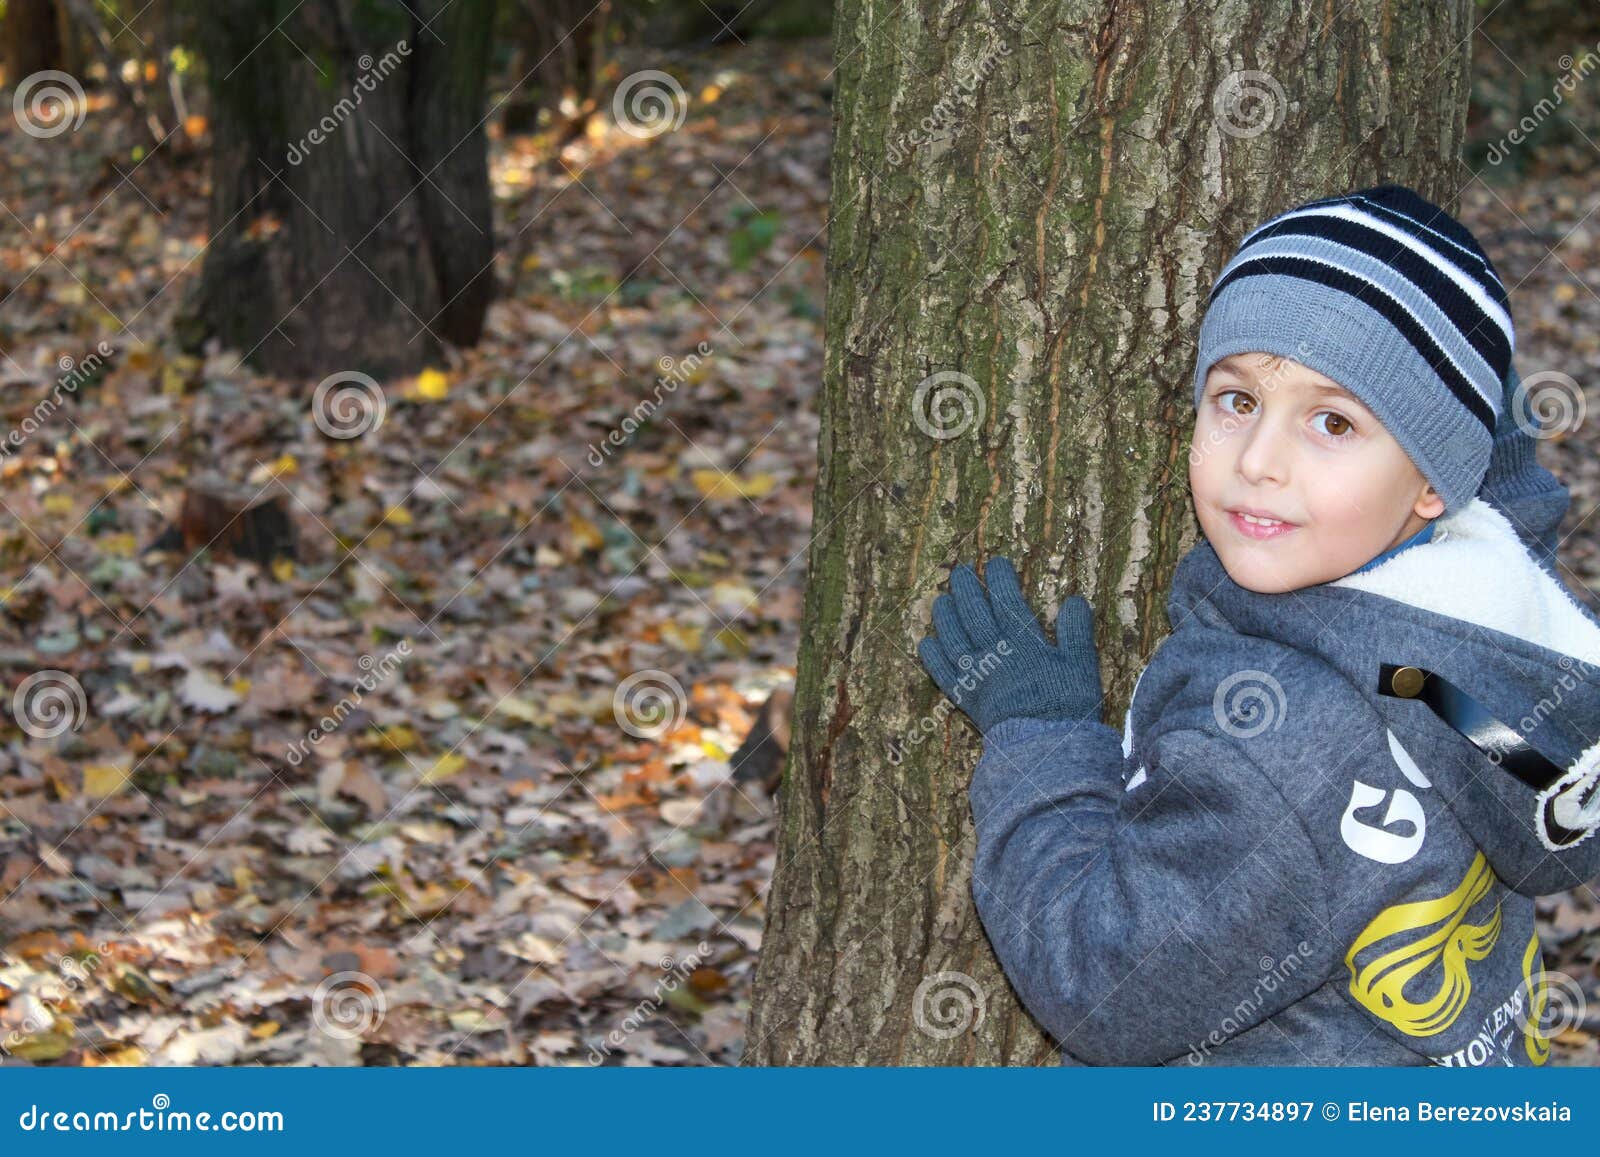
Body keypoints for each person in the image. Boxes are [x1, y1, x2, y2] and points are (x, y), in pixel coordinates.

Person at [917, 184, 1600, 1066]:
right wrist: (1474, 407)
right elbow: (1510, 509)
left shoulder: (1284, 745)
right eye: (1236, 399)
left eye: (1332, 421)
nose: (1258, 461)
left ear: (1435, 481)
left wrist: (1040, 738)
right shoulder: (1491, 633)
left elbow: (1107, 989)